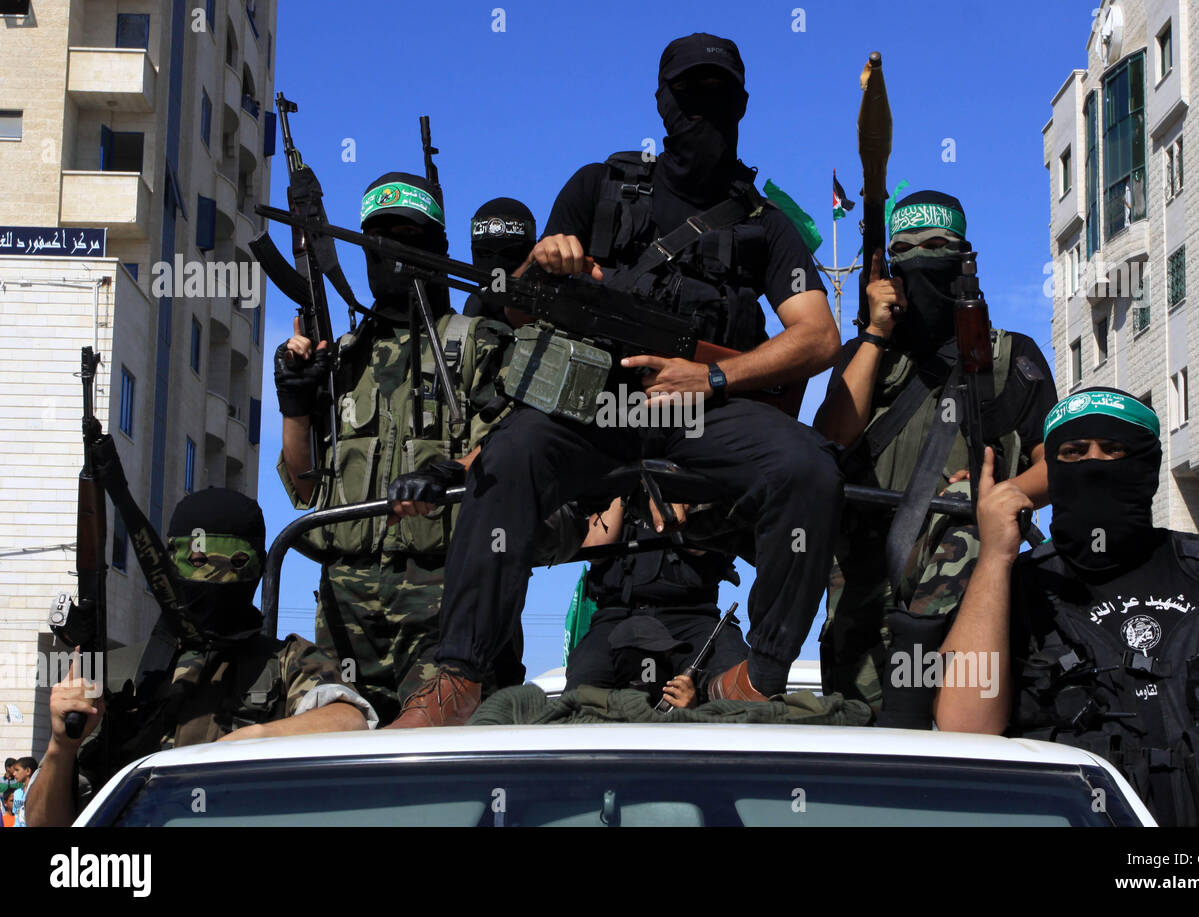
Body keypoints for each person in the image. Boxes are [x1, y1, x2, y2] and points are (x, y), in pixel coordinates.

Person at [386, 32, 843, 727]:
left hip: (699, 410)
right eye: (688, 94)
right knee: (509, 456)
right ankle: (457, 677)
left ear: (744, 104)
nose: (701, 109)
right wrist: (541, 262)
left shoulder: (764, 225)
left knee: (808, 466)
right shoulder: (595, 188)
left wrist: (713, 376)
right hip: (594, 405)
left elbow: (819, 336)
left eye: (718, 94)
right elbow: (513, 305)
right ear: (661, 102)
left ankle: (761, 673)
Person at [935, 387, 1199, 826]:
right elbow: (964, 726)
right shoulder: (1015, 584)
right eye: (1074, 452)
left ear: (1147, 465)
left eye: (1113, 449)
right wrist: (995, 557)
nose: (1094, 464)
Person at [275, 172, 521, 722]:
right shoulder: (341, 356)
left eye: (409, 239)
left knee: (435, 753)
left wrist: (450, 470)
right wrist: (294, 403)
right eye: (379, 241)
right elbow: (307, 489)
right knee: (336, 747)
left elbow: (512, 457)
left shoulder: (476, 344)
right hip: (343, 608)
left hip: (447, 599)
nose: (392, 254)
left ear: (438, 248)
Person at [813, 189, 1057, 726]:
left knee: (958, 740)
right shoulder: (866, 354)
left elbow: (1055, 464)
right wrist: (875, 334)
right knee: (862, 735)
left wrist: (1000, 496)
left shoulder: (1008, 356)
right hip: (864, 575)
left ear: (966, 259)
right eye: (905, 250)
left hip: (971, 586)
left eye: (938, 246)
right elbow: (830, 440)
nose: (922, 260)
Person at [21, 488, 376, 828]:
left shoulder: (287, 661)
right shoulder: (115, 672)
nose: (216, 578)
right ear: (169, 564)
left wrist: (250, 741)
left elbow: (350, 721)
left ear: (258, 566)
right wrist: (61, 747)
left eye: (236, 562)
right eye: (198, 562)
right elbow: (46, 823)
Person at [563, 496, 748, 708]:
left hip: (693, 617)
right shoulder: (612, 484)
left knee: (734, 683)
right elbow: (596, 548)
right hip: (617, 616)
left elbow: (698, 546)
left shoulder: (699, 479)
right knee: (582, 688)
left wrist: (667, 491)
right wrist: (622, 492)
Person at [463, 197, 536, 323]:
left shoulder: (554, 311)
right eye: (485, 253)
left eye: (510, 253)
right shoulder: (471, 312)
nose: (496, 265)